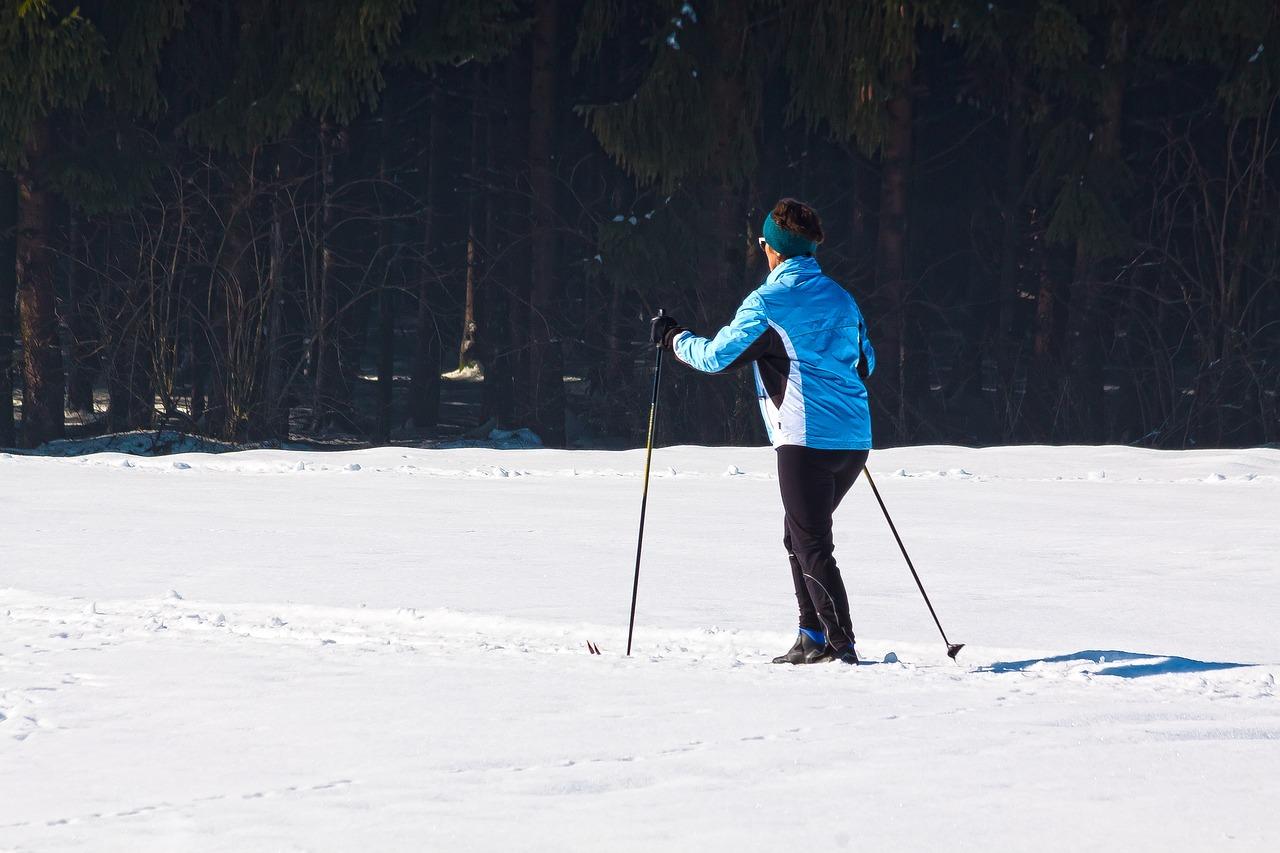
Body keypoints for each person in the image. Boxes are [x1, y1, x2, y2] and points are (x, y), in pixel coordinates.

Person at [650, 198, 875, 665]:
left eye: (764, 244)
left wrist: (673, 339)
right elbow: (866, 361)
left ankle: (839, 645)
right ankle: (811, 634)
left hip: (804, 440)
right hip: (854, 442)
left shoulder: (767, 302)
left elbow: (715, 357)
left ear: (773, 250)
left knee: (810, 541)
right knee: (799, 535)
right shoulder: (841, 297)